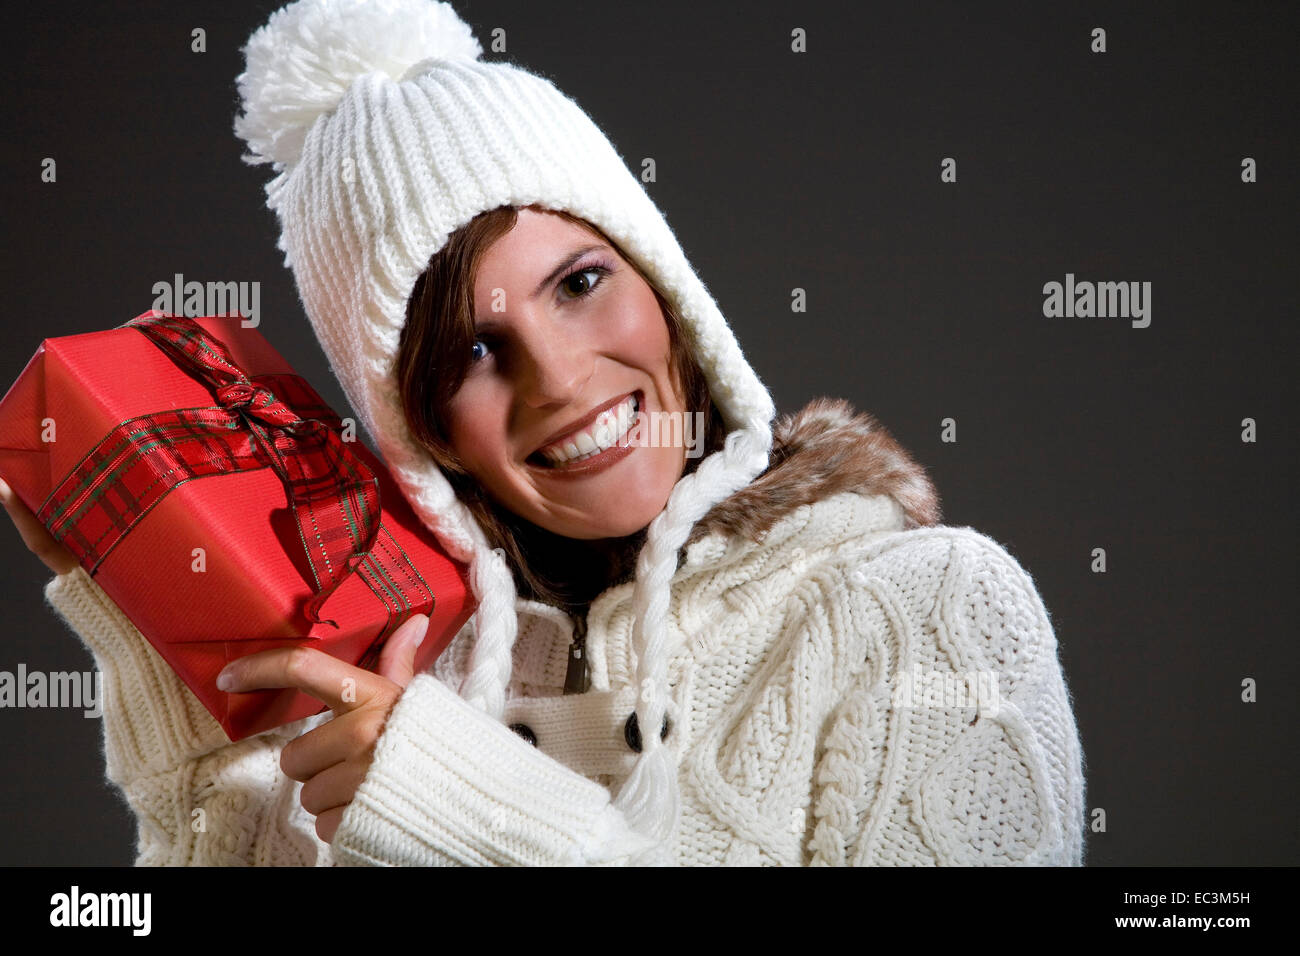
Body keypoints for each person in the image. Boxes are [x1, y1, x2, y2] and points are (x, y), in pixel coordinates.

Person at [0, 0, 1085, 866]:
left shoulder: (929, 606)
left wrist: (473, 817)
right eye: (468, 350)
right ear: (419, 428)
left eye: (578, 280)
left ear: (664, 282)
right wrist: (176, 678)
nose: (558, 380)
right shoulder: (396, 685)